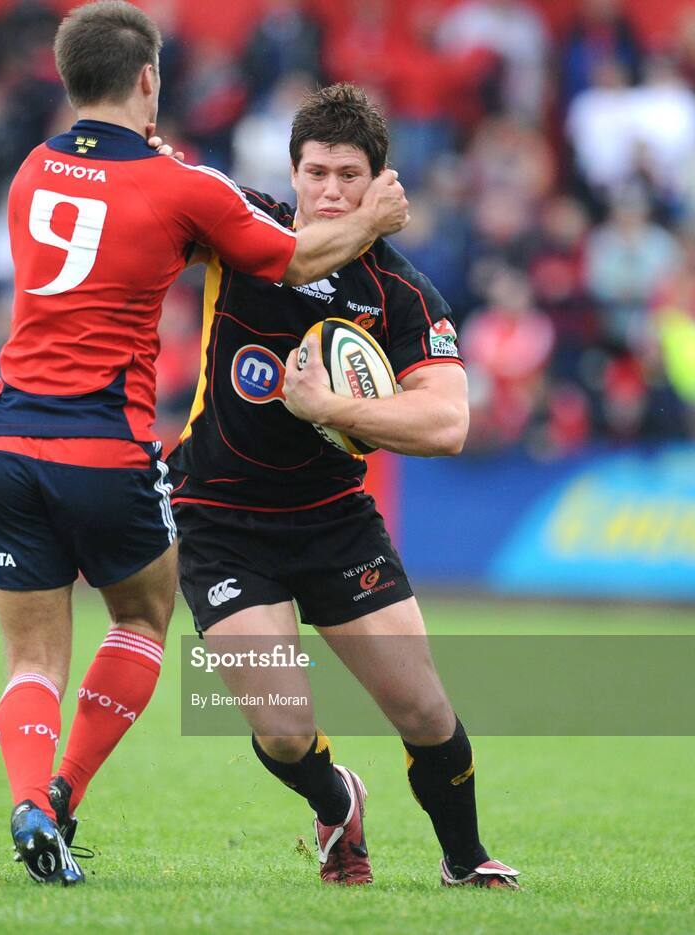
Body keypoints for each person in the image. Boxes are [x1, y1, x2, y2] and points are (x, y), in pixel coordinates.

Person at [0, 1, 408, 886]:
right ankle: (64, 794)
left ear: (68, 79)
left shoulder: (30, 171)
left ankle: (28, 799)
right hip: (103, 444)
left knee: (29, 659)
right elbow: (289, 259)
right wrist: (370, 221)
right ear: (148, 79)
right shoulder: (182, 183)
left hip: (6, 438)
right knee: (139, 617)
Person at [168, 83, 520, 888]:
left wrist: (332, 407)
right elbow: (156, 193)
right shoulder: (242, 230)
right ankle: (337, 801)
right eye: (316, 172)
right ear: (291, 174)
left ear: (380, 182)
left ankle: (464, 859)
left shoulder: (400, 293)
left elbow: (447, 424)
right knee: (287, 730)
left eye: (350, 176)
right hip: (221, 517)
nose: (330, 189)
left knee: (426, 712)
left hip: (333, 522)